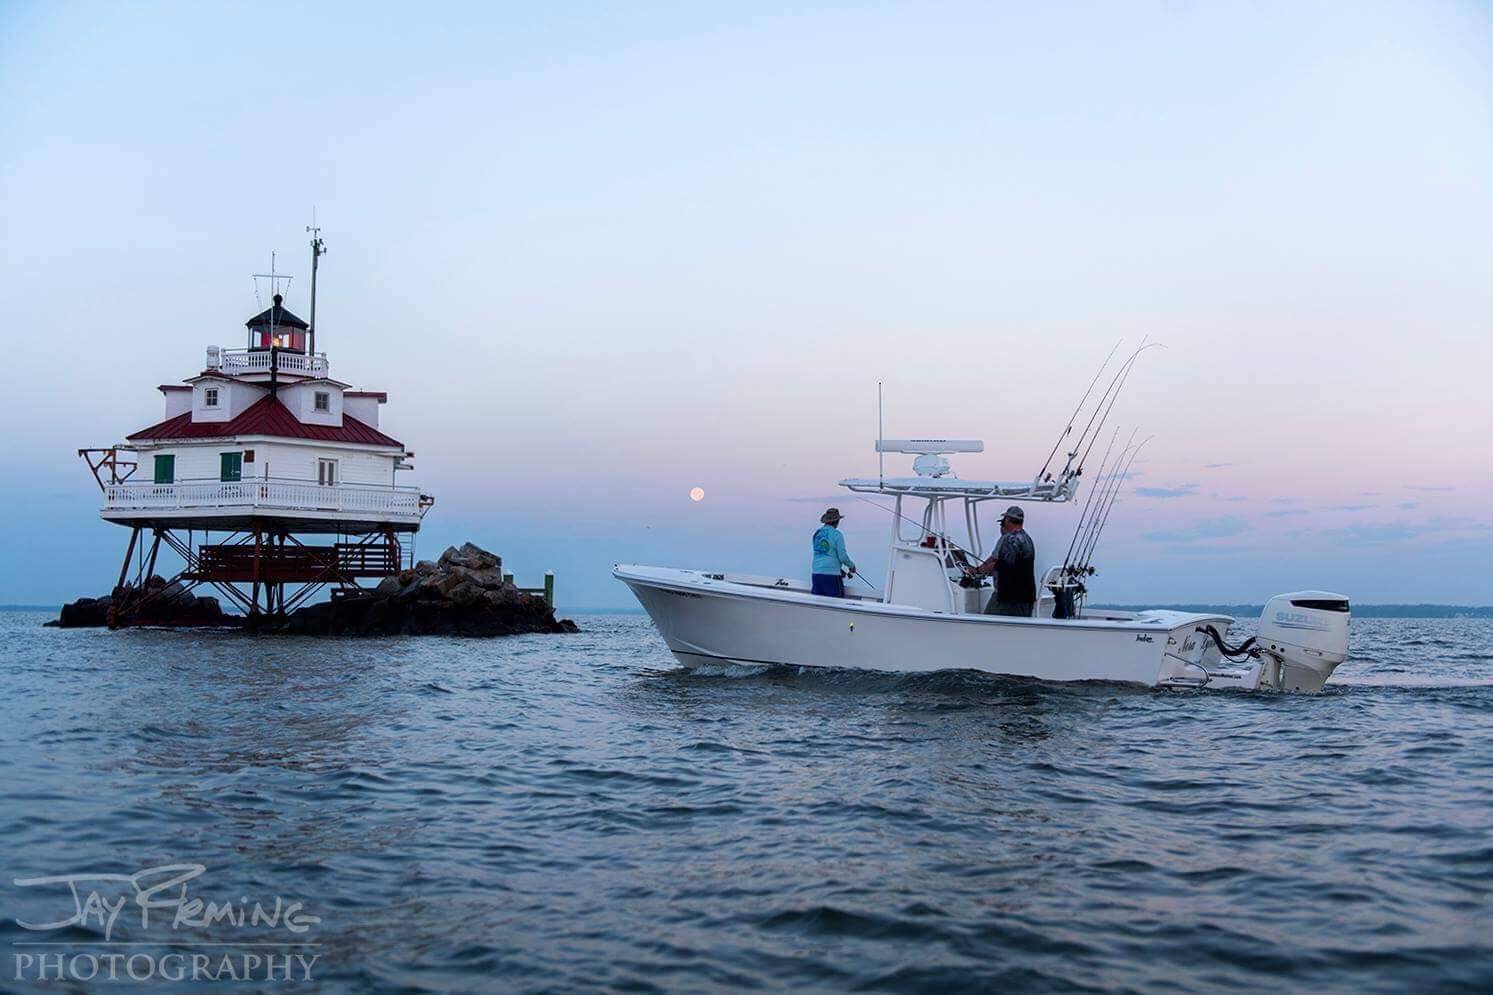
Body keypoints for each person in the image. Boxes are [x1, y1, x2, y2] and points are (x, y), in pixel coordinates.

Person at [968, 505, 1036, 617]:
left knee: (986, 623)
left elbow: (997, 563)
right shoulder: (1027, 539)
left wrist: (978, 571)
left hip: (1008, 599)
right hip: (1026, 598)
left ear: (1008, 520)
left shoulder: (1009, 539)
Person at [810, 507, 856, 597]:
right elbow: (842, 556)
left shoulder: (817, 534)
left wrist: (839, 570)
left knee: (818, 602)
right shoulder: (837, 534)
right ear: (837, 521)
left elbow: (823, 554)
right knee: (837, 601)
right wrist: (851, 566)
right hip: (832, 576)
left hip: (816, 574)